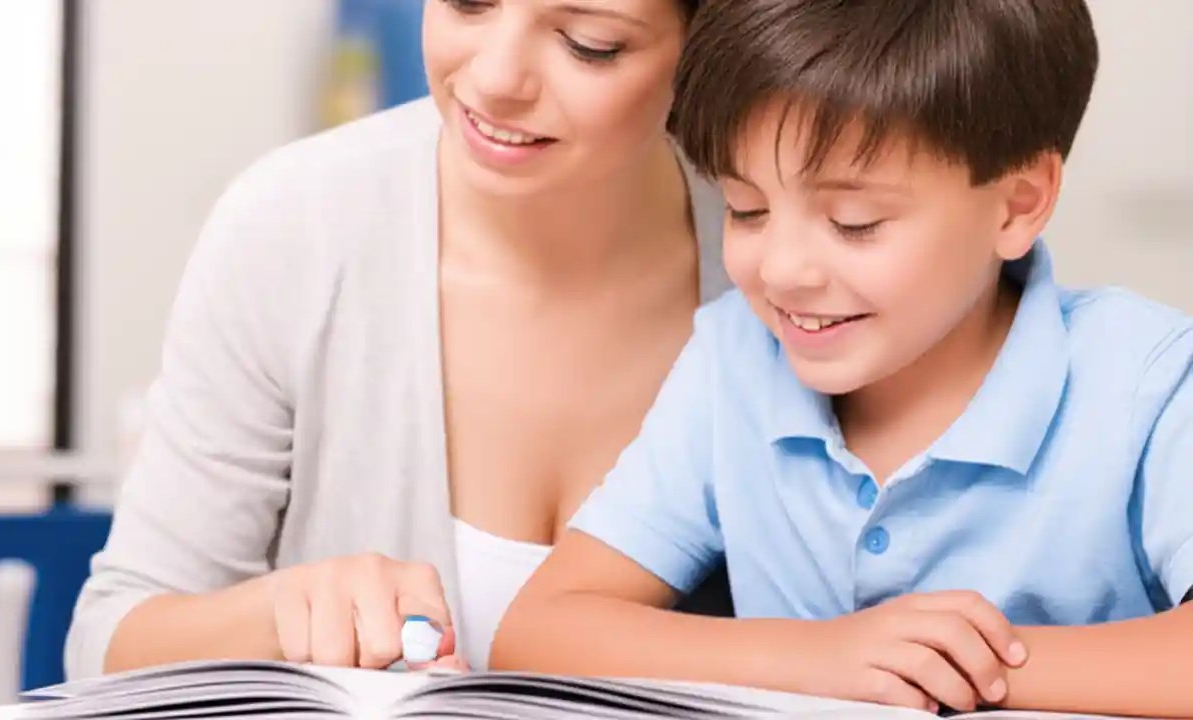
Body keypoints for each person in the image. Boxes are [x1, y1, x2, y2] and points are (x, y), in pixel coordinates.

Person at [491, 0, 1193, 717]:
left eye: (854, 224)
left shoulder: (1147, 379)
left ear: (1016, 205)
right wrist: (819, 657)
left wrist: (930, 667)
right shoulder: (735, 361)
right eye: (746, 209)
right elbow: (540, 629)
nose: (783, 271)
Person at [65, 0, 735, 679]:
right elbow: (104, 646)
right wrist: (282, 614)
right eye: (468, 2)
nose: (498, 77)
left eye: (589, 44)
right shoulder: (292, 227)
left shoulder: (788, 273)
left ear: (706, 43)